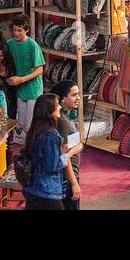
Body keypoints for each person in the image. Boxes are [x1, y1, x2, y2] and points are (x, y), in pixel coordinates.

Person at [21, 94, 66, 209]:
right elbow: (52, 166)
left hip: (32, 189)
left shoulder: (34, 131)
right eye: (57, 105)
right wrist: (69, 154)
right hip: (47, 191)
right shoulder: (51, 135)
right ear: (49, 111)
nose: (60, 107)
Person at [5, 18, 45, 143]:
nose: (16, 33)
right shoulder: (10, 44)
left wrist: (21, 79)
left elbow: (39, 70)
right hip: (20, 89)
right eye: (14, 30)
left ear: (26, 30)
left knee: (29, 125)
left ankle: (33, 149)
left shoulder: (33, 45)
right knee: (21, 123)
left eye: (20, 31)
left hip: (33, 89)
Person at [52, 80, 83, 210]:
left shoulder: (67, 115)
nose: (78, 98)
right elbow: (65, 156)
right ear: (63, 99)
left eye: (78, 94)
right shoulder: (63, 122)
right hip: (68, 178)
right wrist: (74, 183)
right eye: (74, 95)